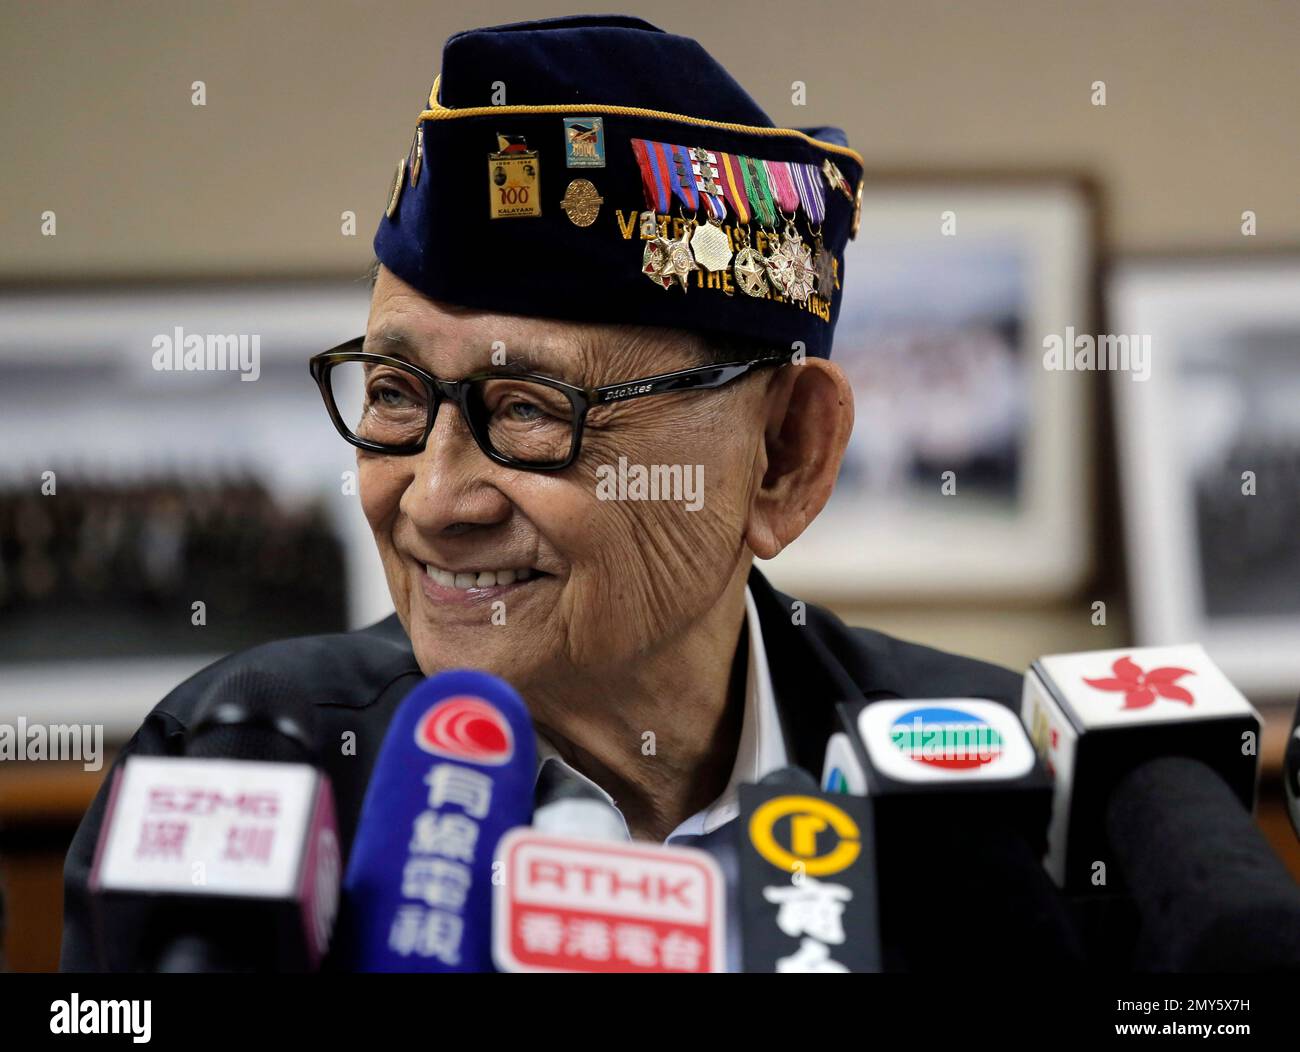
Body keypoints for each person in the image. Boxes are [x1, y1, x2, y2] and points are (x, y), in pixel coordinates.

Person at [62, 14, 1085, 971]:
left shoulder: (992, 782)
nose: (434, 499)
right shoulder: (242, 757)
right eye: (394, 394)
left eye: (526, 410)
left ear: (784, 454)